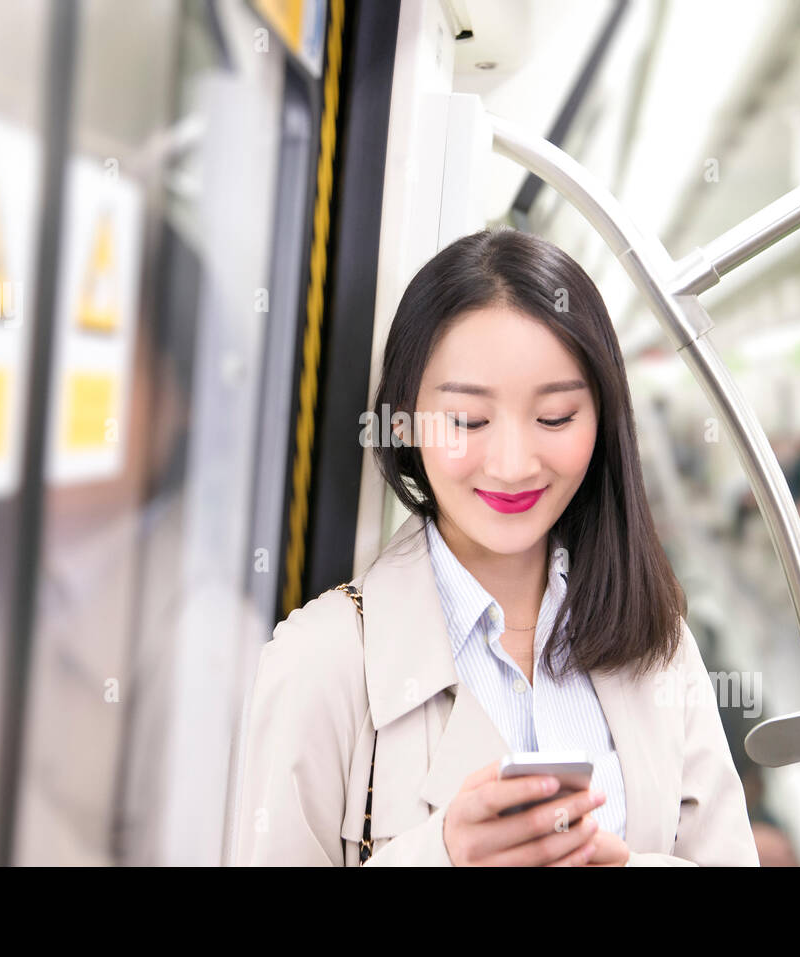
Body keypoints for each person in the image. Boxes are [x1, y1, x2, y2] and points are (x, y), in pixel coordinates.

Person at [234, 228, 759, 867]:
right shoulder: (320, 661)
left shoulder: (656, 641)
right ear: (405, 419)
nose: (512, 466)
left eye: (556, 418)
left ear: (603, 420)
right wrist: (442, 857)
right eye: (467, 422)